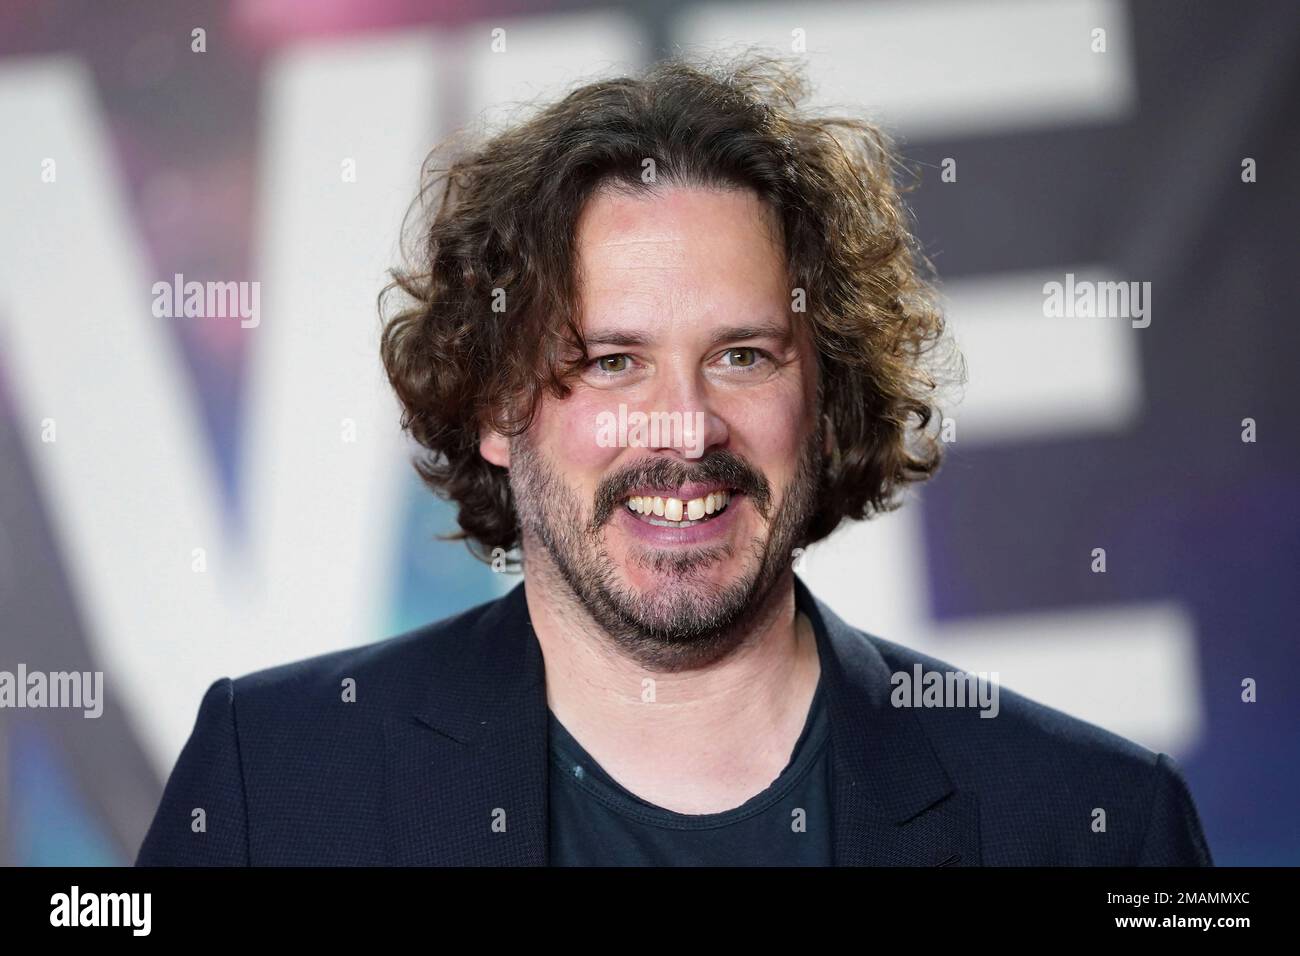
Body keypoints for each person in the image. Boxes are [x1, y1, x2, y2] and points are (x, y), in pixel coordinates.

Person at [136, 54, 1212, 866]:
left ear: (824, 393)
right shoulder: (272, 782)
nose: (684, 428)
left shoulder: (1093, 822)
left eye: (742, 355)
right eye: (611, 362)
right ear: (497, 406)